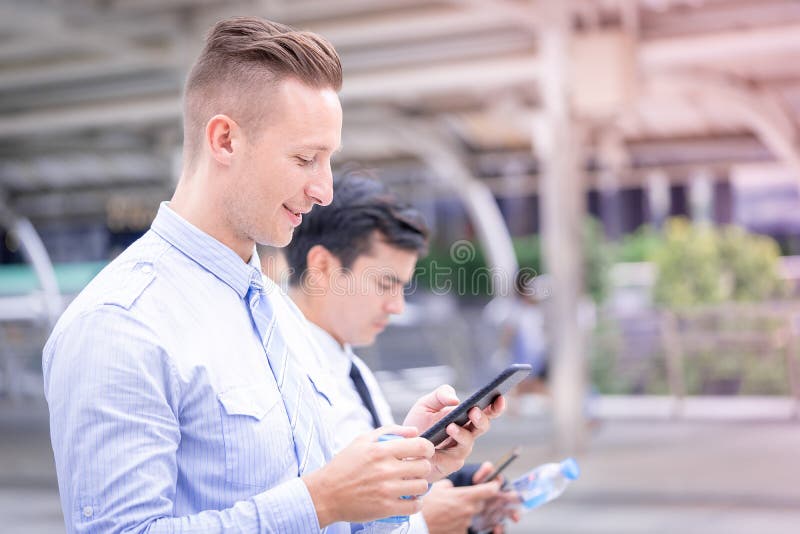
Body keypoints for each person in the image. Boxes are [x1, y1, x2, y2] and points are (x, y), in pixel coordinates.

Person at [42, 17, 500, 533]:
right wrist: (319, 501)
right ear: (225, 141)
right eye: (306, 158)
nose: (324, 189)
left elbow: (333, 511)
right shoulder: (120, 325)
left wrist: (405, 466)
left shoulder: (277, 312)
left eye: (328, 161)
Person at [283, 175, 518, 533]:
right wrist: (424, 524)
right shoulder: (278, 376)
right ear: (323, 267)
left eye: (401, 288)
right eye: (384, 284)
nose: (396, 306)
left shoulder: (347, 363)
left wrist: (438, 479)